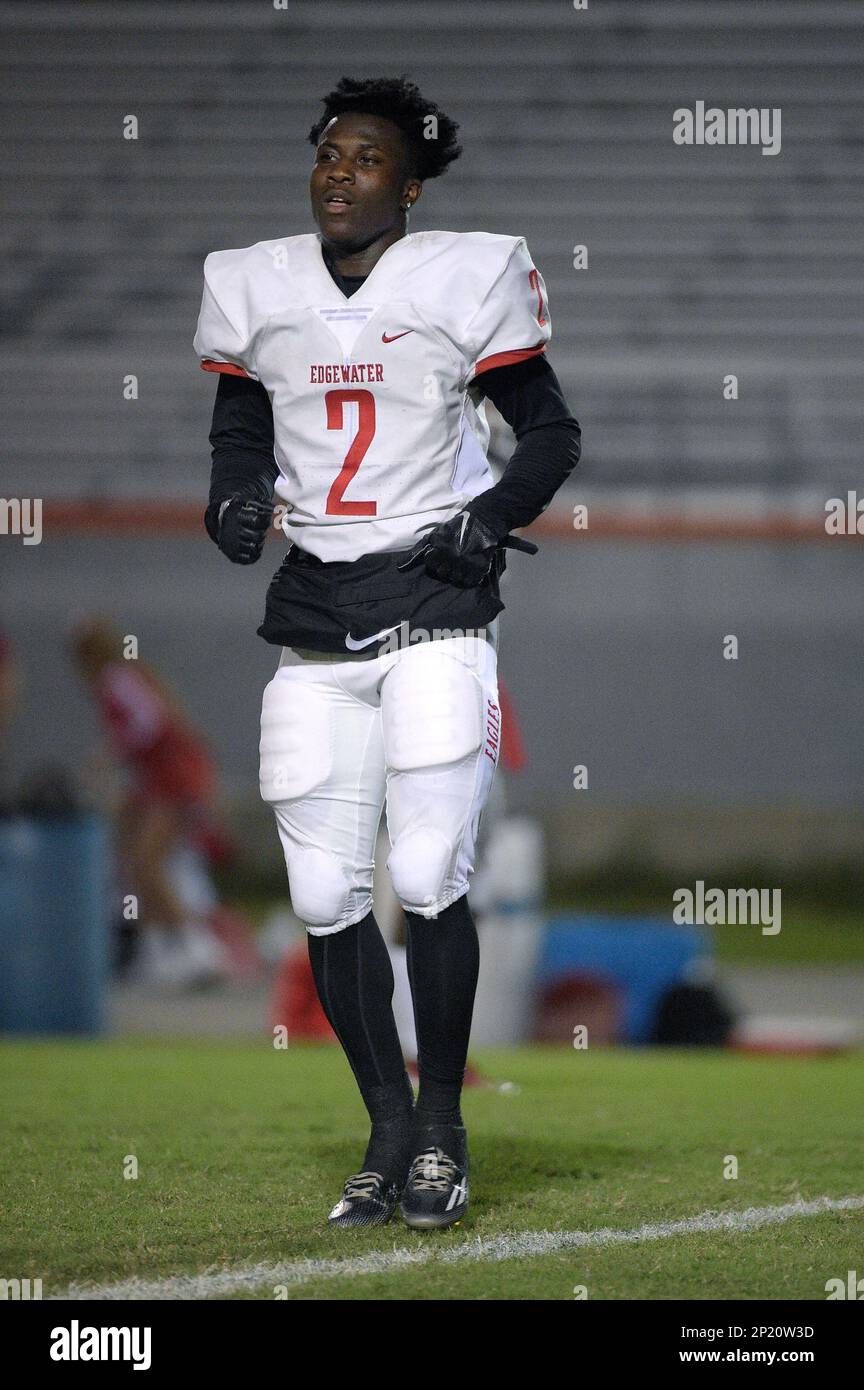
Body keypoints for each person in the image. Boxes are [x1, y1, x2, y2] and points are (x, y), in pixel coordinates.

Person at [194, 76, 581, 1229]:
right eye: (326, 154)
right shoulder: (254, 285)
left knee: (426, 875)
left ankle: (445, 1128)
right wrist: (231, 503)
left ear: (406, 188)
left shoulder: (462, 278)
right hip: (314, 608)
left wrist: (494, 512)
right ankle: (387, 1125)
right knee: (321, 887)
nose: (337, 173)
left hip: (436, 601)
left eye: (364, 159)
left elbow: (553, 429)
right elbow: (237, 433)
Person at [70, 615, 227, 989]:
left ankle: (200, 948)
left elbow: (150, 722)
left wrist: (103, 761)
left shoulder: (117, 679)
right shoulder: (124, 676)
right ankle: (161, 952)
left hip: (174, 779)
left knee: (147, 866)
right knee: (136, 867)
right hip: (161, 780)